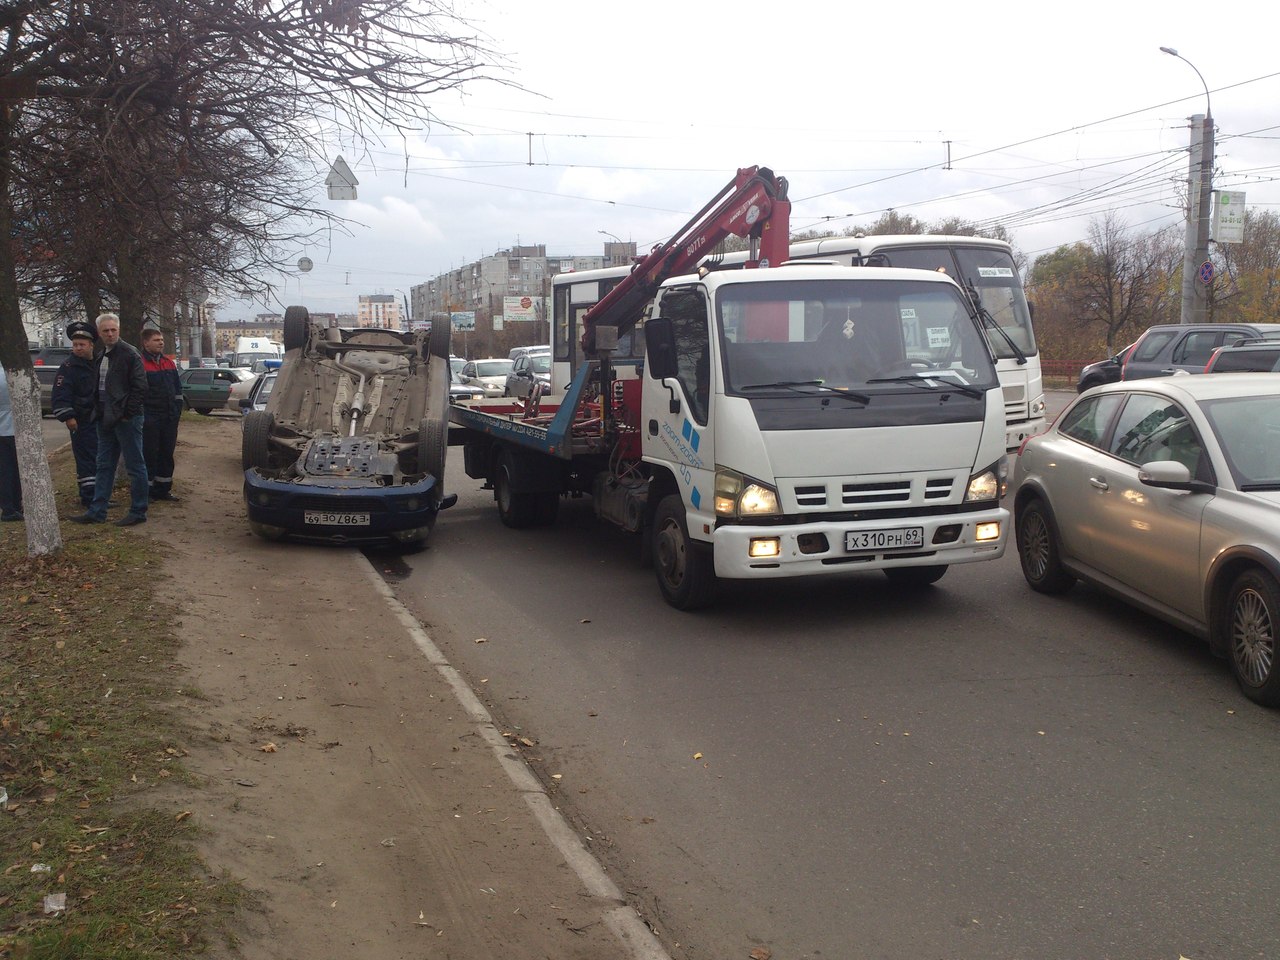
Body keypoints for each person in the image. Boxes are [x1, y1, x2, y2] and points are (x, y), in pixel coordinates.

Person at [70, 312, 150, 527]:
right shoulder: (101, 353)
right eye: (105, 331)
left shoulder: (129, 353)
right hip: (105, 418)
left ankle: (138, 511)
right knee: (104, 465)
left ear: (119, 329)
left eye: (113, 329)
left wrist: (127, 413)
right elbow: (99, 386)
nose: (110, 333)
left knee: (135, 466)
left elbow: (140, 387)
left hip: (125, 419)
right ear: (99, 333)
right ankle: (97, 511)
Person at [51, 321, 101, 508]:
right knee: (86, 460)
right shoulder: (68, 367)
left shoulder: (97, 363)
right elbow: (60, 395)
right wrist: (69, 417)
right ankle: (89, 497)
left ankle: (100, 494)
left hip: (99, 419)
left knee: (100, 458)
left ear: (91, 345)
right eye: (75, 345)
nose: (78, 348)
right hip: (81, 421)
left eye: (82, 344)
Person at [139, 321, 183, 501]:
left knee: (166, 453)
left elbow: (178, 391)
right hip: (150, 418)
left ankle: (163, 489)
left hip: (169, 418)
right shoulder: (140, 363)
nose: (161, 342)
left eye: (162, 340)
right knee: (149, 454)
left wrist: (176, 413)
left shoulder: (169, 363)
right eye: (156, 340)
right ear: (146, 343)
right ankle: (147, 492)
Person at [0, 365, 21, 522]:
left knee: (8, 470)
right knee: (11, 469)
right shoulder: (9, 371)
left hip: (7, 428)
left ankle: (11, 506)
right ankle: (11, 507)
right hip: (11, 428)